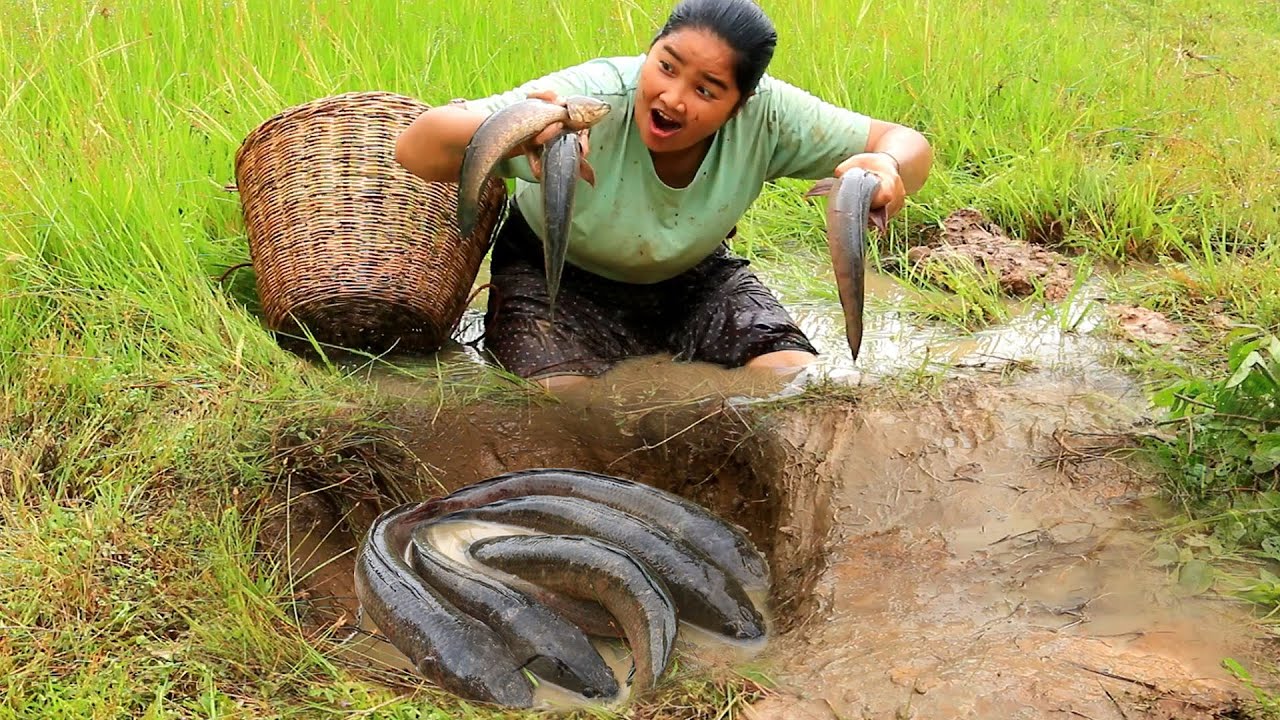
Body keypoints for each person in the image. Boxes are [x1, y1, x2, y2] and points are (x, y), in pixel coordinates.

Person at [395, 0, 931, 391]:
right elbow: (417, 148)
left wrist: (885, 165)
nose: (672, 97)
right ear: (649, 52)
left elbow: (907, 143)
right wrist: (524, 127)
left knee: (795, 384)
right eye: (666, 66)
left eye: (706, 90)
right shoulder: (593, 95)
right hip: (553, 277)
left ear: (740, 104)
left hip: (696, 280)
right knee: (568, 409)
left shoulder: (771, 116)